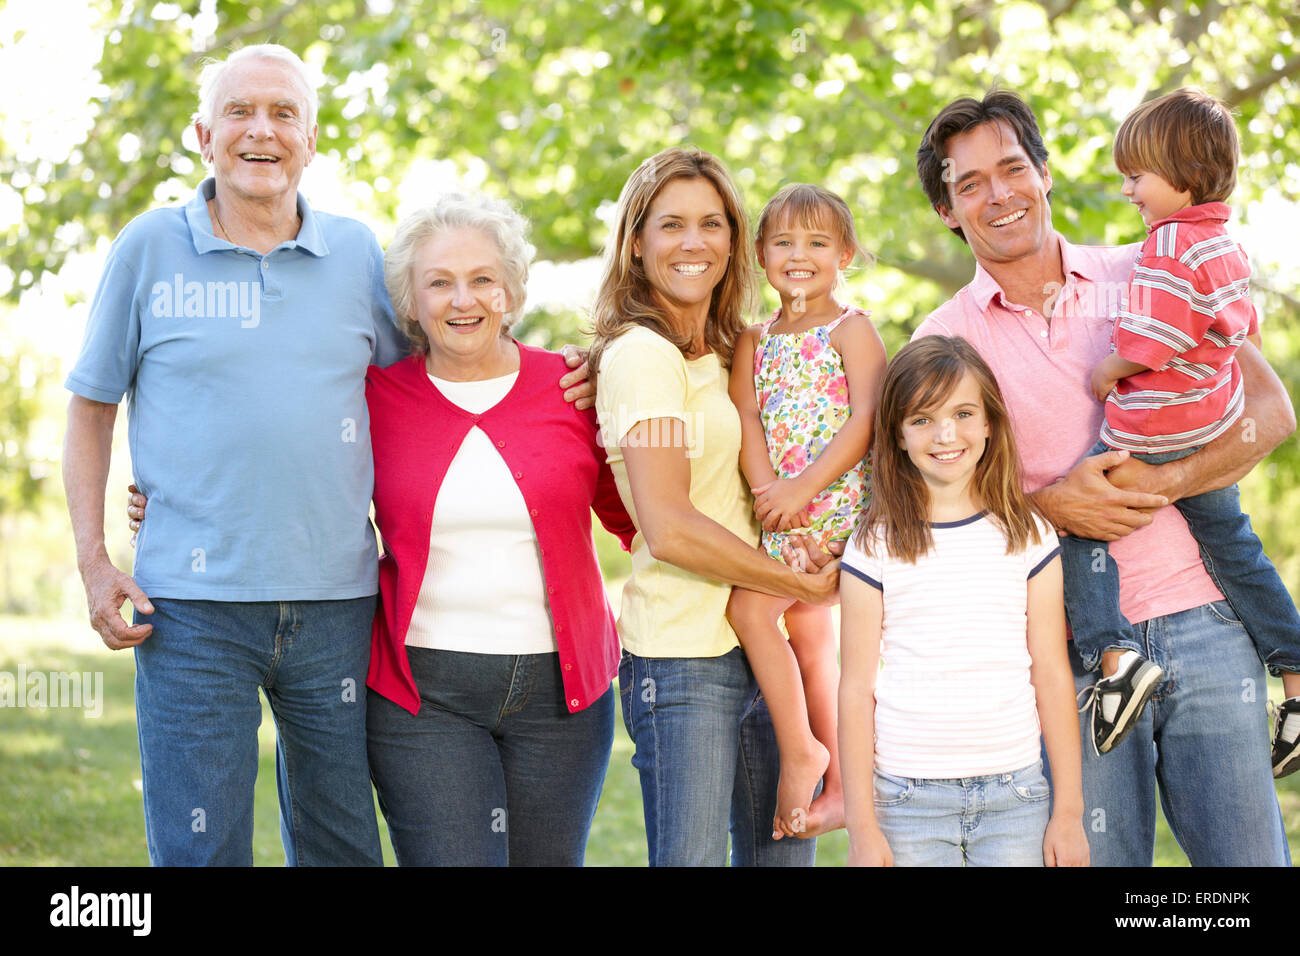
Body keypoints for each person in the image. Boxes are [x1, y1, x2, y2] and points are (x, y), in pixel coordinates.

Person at [71, 45, 594, 866]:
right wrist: (97, 561)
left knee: (342, 844)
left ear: (310, 142)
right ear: (204, 134)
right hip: (189, 605)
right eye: (241, 112)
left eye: (284, 114)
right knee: (200, 848)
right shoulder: (148, 250)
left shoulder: (356, 257)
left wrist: (560, 382)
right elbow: (92, 404)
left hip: (337, 607)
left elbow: (432, 379)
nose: (262, 131)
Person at [912, 89, 1294, 865]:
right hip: (1073, 650)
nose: (999, 194)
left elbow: (1269, 413)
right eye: (970, 183)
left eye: (1012, 168)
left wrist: (1164, 481)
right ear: (948, 210)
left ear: (1045, 174)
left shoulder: (1151, 266)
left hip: (1207, 624)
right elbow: (932, 516)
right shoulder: (941, 338)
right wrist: (1049, 506)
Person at [363, 192, 636, 865]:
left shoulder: (575, 387)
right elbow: (297, 491)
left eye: (483, 279)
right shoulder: (374, 398)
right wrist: (164, 499)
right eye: (440, 283)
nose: (464, 300)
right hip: (425, 695)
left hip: (563, 696)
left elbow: (640, 514)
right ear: (411, 301)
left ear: (511, 291)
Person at [589, 146, 840, 866]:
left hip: (769, 651)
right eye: (671, 225)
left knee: (784, 858)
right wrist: (794, 584)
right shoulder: (642, 356)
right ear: (636, 244)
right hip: (685, 657)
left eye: (712, 223)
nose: (694, 242)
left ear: (735, 240)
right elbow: (667, 528)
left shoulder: (732, 351)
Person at [1055, 88, 1300, 770]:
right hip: (1211, 415)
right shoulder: (1224, 241)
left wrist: (1109, 369)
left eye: (1137, 176)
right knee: (1235, 544)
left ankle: (1116, 656)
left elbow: (1156, 338)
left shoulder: (1167, 241)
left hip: (1155, 428)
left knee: (1085, 518)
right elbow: (1237, 327)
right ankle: (1297, 673)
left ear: (1182, 177)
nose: (1129, 190)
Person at [839, 336, 1088, 867]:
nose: (946, 434)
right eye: (922, 419)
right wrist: (863, 828)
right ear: (898, 435)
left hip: (1014, 796)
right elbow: (856, 687)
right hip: (907, 800)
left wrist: (1068, 813)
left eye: (963, 413)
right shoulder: (874, 543)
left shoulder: (1029, 535)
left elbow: (1049, 670)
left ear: (990, 423)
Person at [725, 183, 886, 837]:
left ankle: (802, 748)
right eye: (784, 242)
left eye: (817, 243)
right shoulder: (753, 338)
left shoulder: (851, 328)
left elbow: (871, 417)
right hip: (782, 511)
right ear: (760, 252)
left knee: (749, 609)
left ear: (843, 252)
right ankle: (846, 784)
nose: (800, 255)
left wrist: (803, 490)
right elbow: (746, 415)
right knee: (812, 640)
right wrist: (769, 495)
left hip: (836, 504)